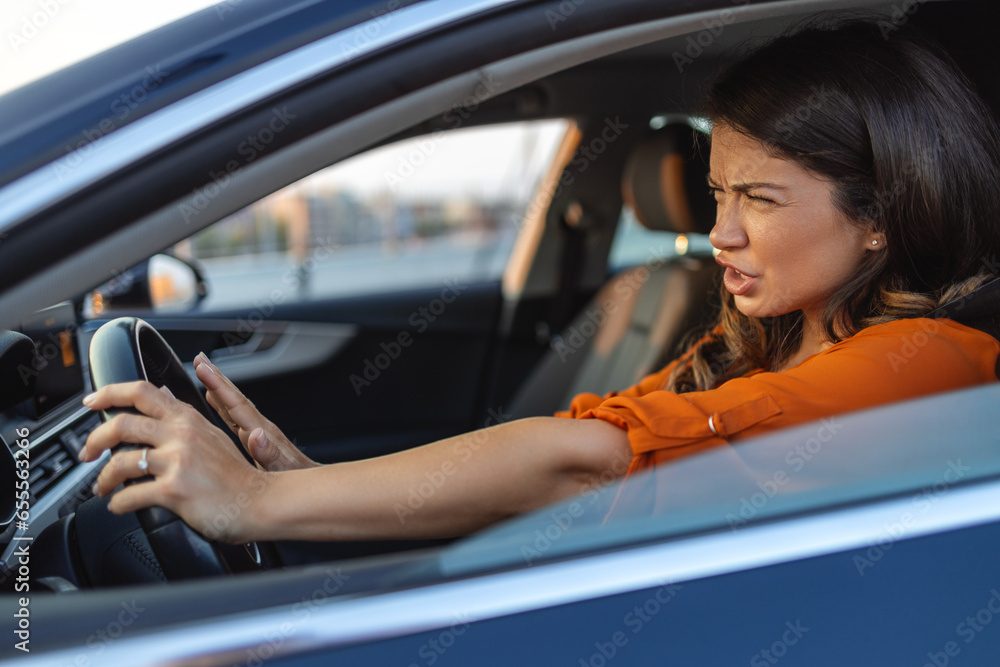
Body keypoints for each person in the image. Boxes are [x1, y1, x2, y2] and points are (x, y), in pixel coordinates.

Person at [79, 19, 1000, 544]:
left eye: (759, 197)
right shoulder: (758, 340)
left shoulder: (932, 366)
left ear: (879, 214)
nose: (717, 232)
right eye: (717, 191)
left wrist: (261, 504)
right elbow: (579, 440)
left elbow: (592, 462)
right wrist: (316, 483)